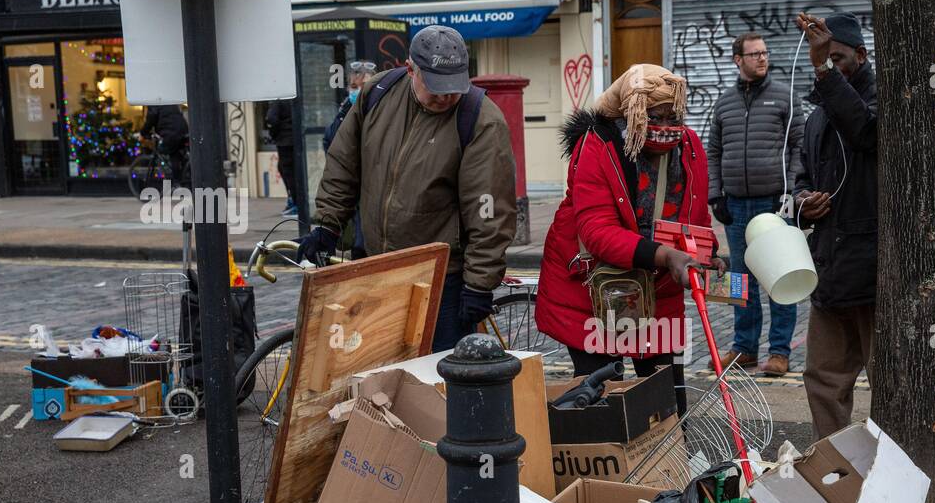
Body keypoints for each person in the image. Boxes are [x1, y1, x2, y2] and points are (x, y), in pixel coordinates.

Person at [299, 26, 517, 351]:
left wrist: (479, 285)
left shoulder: (481, 120)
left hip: (441, 282)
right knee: (377, 379)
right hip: (374, 267)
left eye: (453, 88)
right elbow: (344, 164)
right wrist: (329, 226)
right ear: (410, 68)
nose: (445, 97)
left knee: (436, 386)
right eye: (436, 88)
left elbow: (489, 211)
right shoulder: (378, 93)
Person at [536, 64, 720, 412]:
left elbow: (695, 214)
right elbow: (598, 232)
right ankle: (603, 464)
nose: (666, 128)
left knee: (667, 399)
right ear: (631, 114)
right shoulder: (597, 145)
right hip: (591, 292)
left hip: (658, 293)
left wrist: (709, 251)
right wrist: (667, 256)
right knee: (604, 400)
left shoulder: (691, 145)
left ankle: (670, 463)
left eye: (674, 117)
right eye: (655, 117)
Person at [792, 11, 879, 440]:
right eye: (825, 57)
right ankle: (833, 475)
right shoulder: (816, 116)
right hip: (829, 268)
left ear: (861, 56)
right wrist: (802, 203)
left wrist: (824, 70)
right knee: (823, 381)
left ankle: (891, 479)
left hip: (874, 272)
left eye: (837, 57)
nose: (828, 62)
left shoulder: (881, 100)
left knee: (889, 385)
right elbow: (800, 178)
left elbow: (865, 131)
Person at [705, 32, 805, 377]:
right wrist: (715, 195)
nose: (762, 58)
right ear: (738, 60)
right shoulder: (724, 103)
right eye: (754, 54)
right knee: (738, 281)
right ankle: (744, 347)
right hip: (735, 205)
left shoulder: (784, 97)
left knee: (779, 276)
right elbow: (714, 152)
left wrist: (790, 190)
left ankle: (779, 351)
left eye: (764, 52)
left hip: (774, 203)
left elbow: (799, 147)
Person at [322, 60, 377, 259]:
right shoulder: (342, 116)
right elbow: (332, 150)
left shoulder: (383, 114)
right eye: (354, 87)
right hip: (355, 205)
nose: (358, 91)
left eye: (364, 86)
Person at [264, 99, 300, 217]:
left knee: (288, 173)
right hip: (296, 139)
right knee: (291, 171)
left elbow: (271, 119)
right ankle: (294, 200)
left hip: (285, 140)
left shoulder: (278, 99)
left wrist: (274, 135)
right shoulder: (294, 96)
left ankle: (296, 203)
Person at [140, 104, 189, 187]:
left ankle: (172, 180)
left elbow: (151, 118)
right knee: (174, 154)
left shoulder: (153, 103)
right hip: (182, 129)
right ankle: (179, 179)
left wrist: (143, 133)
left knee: (162, 151)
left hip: (171, 133)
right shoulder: (167, 101)